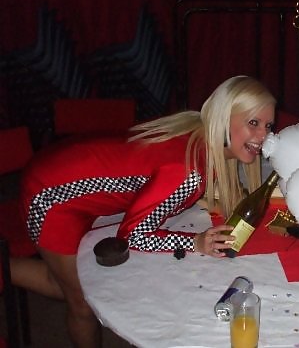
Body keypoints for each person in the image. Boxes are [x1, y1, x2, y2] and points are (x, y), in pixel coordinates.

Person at [10, 75, 276, 348]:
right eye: (253, 123)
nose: (263, 136)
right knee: (80, 302)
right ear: (223, 118)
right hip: (51, 192)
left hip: (69, 173)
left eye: (268, 125)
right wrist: (195, 242)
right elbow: (133, 236)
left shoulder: (199, 134)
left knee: (65, 281)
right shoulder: (189, 172)